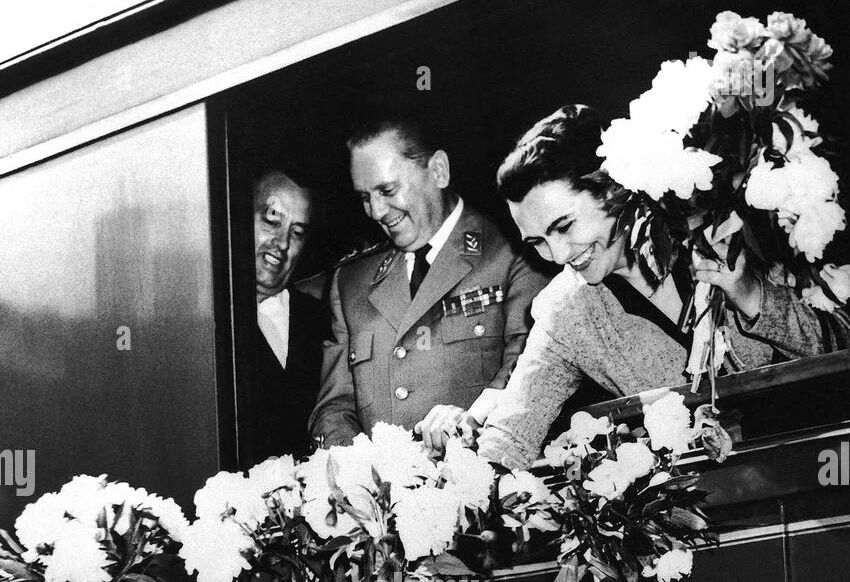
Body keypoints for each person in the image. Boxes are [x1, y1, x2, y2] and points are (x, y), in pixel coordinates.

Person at [418, 105, 850, 468]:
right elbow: (513, 433)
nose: (558, 254)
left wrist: (752, 296)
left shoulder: (728, 222)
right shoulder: (566, 311)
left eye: (564, 226)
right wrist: (449, 491)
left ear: (611, 190)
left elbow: (839, 342)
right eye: (538, 242)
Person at [307, 115, 546, 446]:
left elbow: (534, 375)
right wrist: (363, 476)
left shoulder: (514, 250)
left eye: (387, 190)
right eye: (364, 197)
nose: (376, 212)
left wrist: (472, 424)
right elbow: (333, 410)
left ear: (438, 171)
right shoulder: (350, 282)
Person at [251, 169, 329, 460]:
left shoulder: (325, 320)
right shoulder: (202, 319)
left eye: (297, 233)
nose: (282, 243)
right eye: (272, 220)